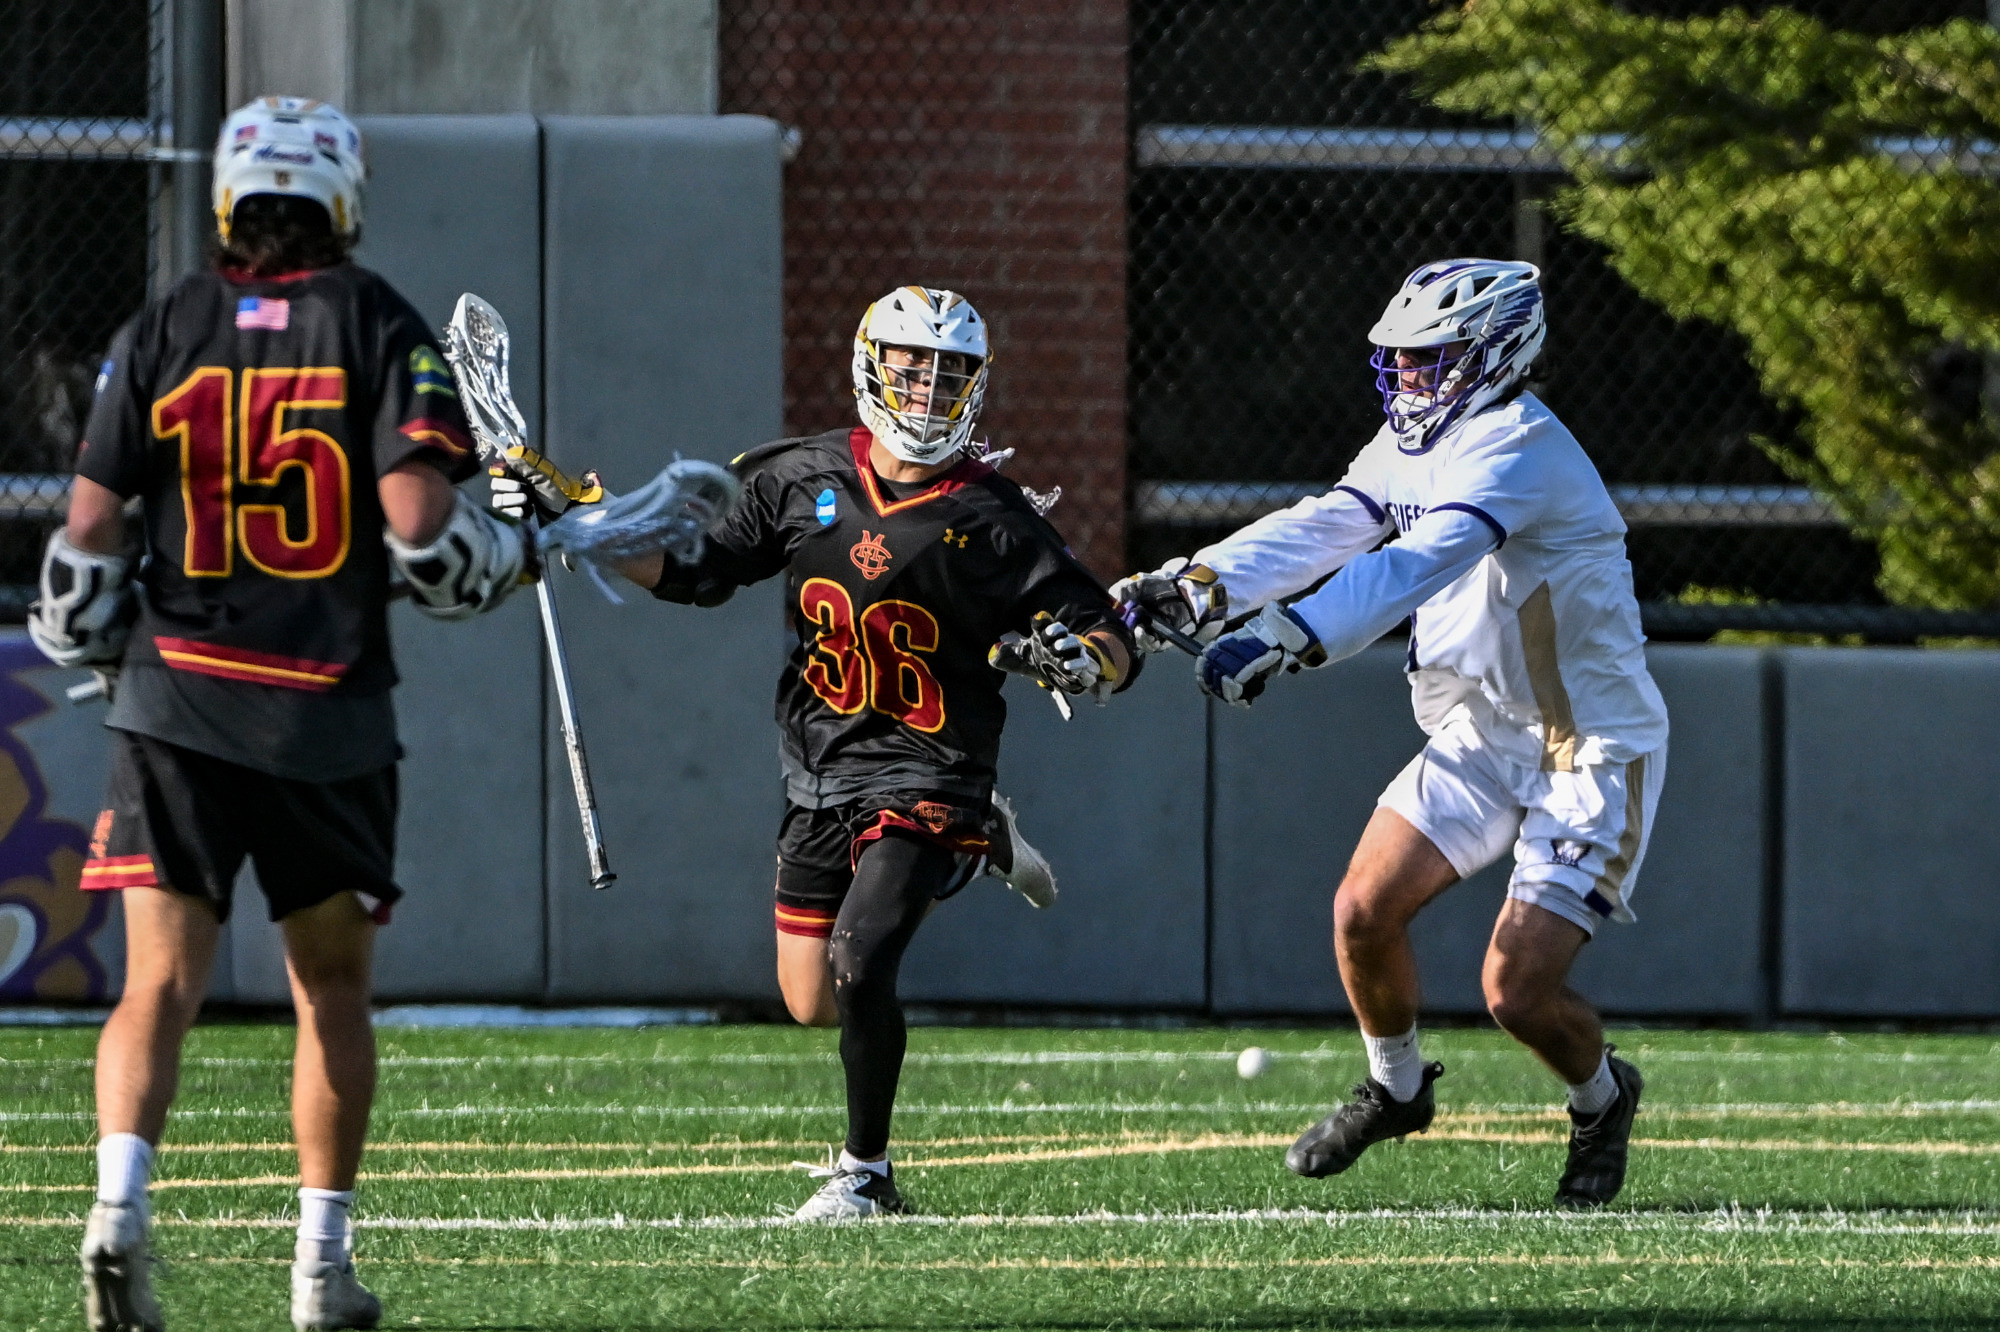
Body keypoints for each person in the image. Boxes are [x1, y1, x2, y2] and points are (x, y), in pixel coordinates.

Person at [31, 96, 530, 1331]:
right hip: (323, 712)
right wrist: (505, 549)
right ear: (341, 200)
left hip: (173, 696)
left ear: (225, 198)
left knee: (156, 985)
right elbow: (418, 525)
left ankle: (117, 1215)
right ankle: (317, 1271)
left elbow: (90, 530)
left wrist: (95, 631)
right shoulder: (372, 319)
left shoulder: (166, 321)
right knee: (331, 991)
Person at [491, 285, 1140, 1219]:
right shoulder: (801, 477)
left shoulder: (997, 519)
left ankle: (866, 1176)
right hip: (825, 763)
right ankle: (988, 843)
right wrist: (575, 524)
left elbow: (1107, 639)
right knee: (809, 996)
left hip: (933, 767)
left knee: (863, 959)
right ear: (872, 368)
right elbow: (691, 571)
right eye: (913, 370)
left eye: (950, 375)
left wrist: (1084, 658)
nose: (928, 394)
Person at [1117, 259, 1669, 1208]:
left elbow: (1420, 559)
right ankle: (1397, 1089)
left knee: (1516, 991)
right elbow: (1332, 523)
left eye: (1432, 359)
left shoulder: (1519, 447)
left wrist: (1292, 635)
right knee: (1361, 913)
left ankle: (1600, 1096)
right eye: (1403, 361)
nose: (1410, 378)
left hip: (1585, 747)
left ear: (1497, 352)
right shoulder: (1419, 440)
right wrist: (1202, 581)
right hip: (1482, 732)